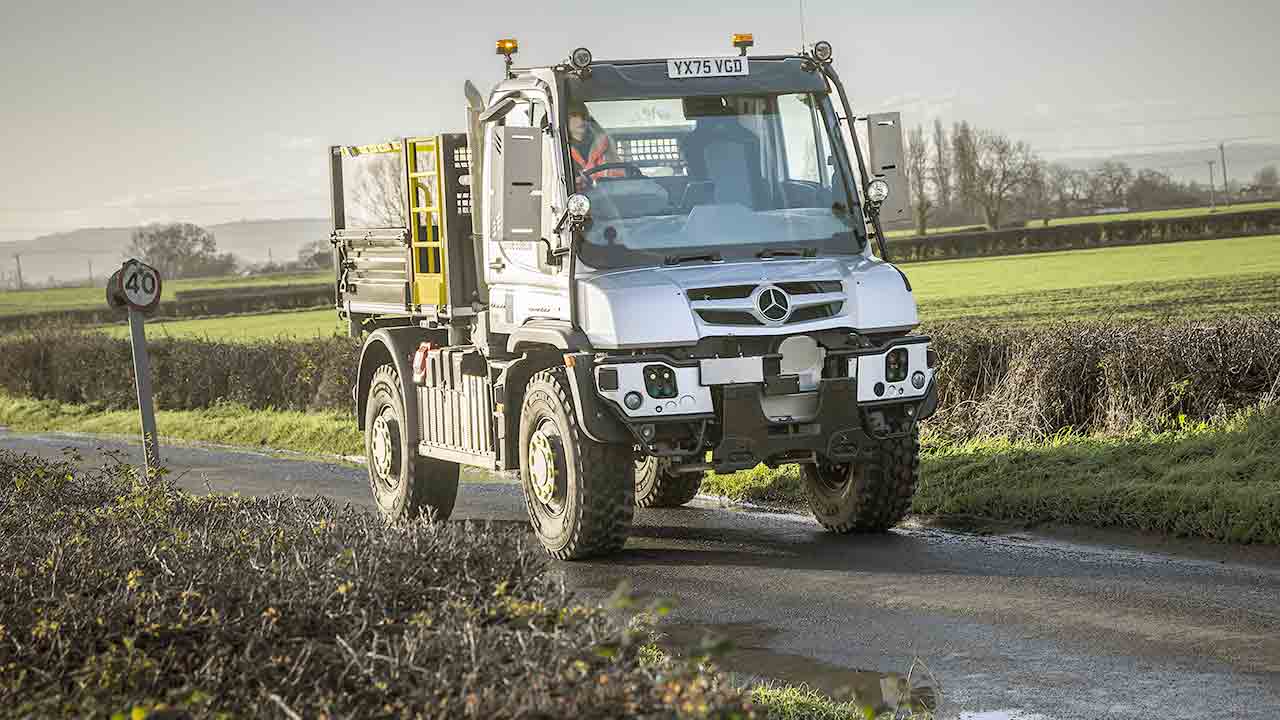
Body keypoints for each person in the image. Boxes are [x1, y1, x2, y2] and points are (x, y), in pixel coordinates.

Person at [567, 103, 624, 189]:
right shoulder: (560, 148)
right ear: (565, 120)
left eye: (584, 115)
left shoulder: (604, 143)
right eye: (574, 115)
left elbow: (619, 173)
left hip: (607, 193)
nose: (581, 119)